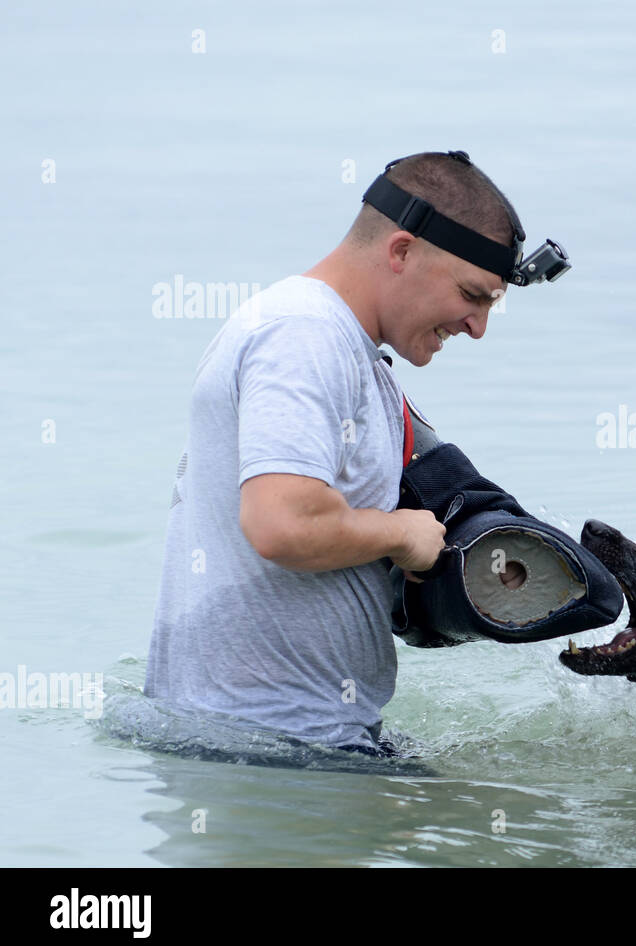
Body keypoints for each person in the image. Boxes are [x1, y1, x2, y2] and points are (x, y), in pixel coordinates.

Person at [144, 152, 527, 754]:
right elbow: (282, 524)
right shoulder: (304, 336)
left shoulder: (353, 357)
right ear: (401, 251)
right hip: (265, 748)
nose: (478, 326)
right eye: (472, 295)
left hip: (280, 736)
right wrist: (400, 535)